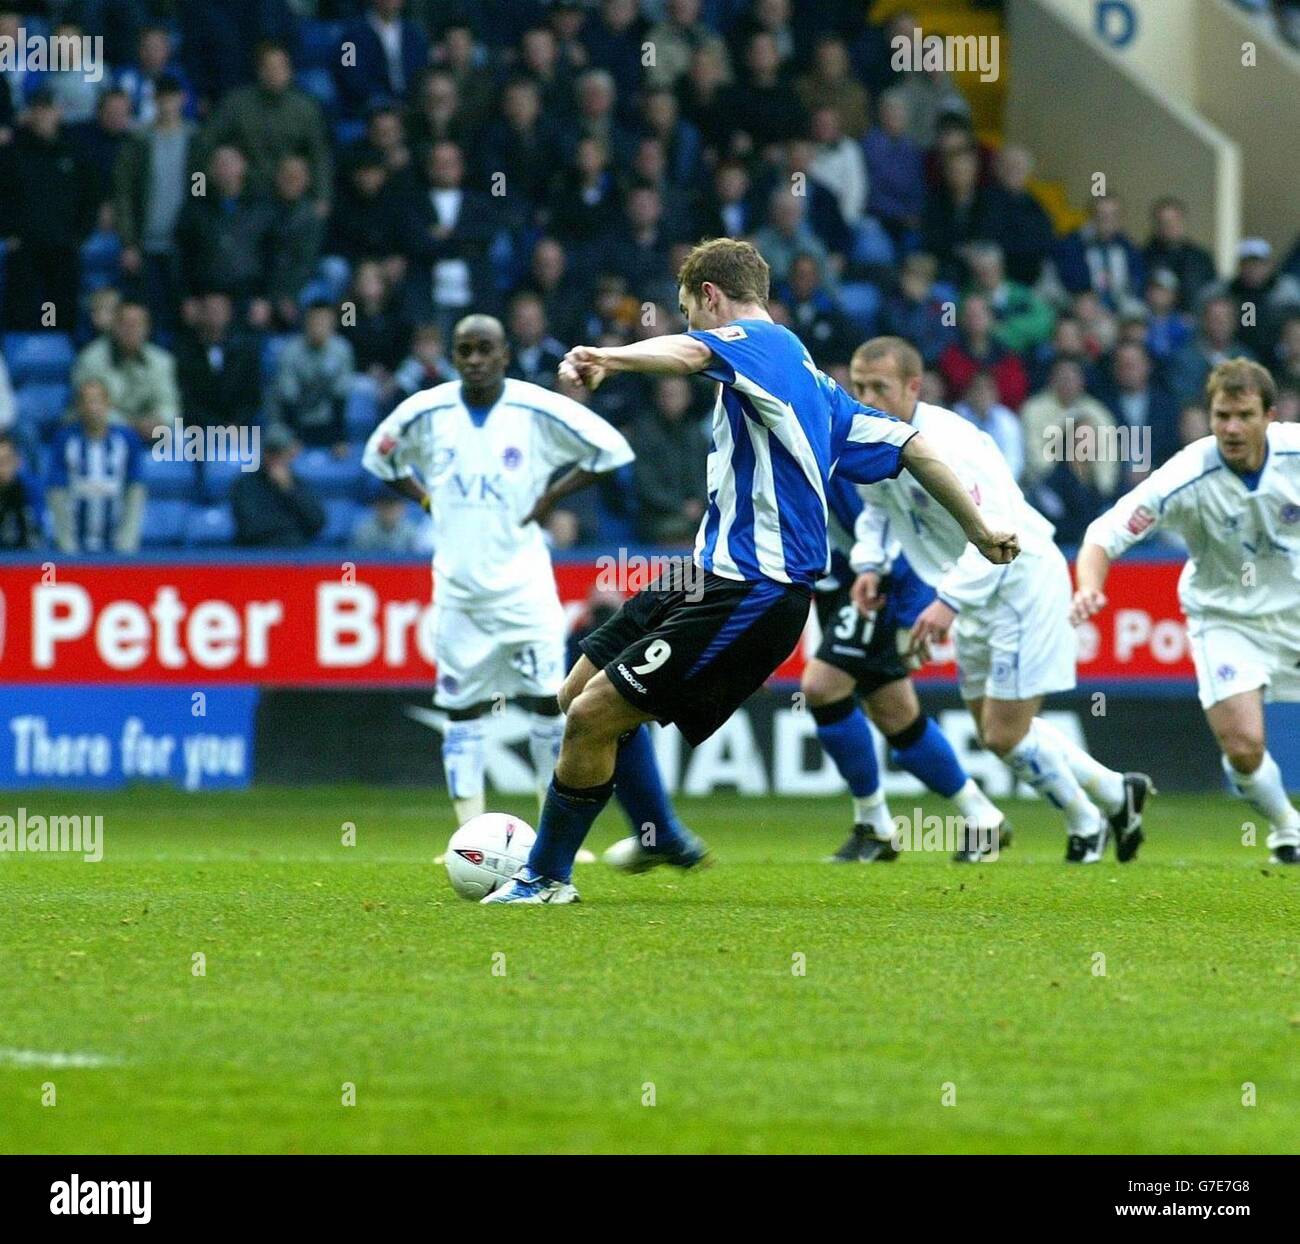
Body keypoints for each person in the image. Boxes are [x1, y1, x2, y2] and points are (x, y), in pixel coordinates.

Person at [486, 238, 1019, 905]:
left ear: (711, 296)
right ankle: (656, 834)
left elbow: (690, 351)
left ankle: (545, 878)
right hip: (702, 573)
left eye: (688, 309)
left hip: (753, 590)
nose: (688, 324)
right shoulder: (820, 393)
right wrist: (980, 528)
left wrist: (608, 358)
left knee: (594, 715)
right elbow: (913, 446)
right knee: (577, 698)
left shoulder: (760, 343)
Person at [845, 336, 1150, 864]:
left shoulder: (951, 443)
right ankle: (1111, 797)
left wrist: (947, 603)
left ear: (913, 387)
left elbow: (998, 528)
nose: (867, 398)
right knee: (997, 728)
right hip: (971, 587)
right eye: (859, 387)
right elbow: (875, 509)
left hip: (1018, 581)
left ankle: (1089, 820)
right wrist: (869, 563)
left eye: (880, 388)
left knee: (1002, 733)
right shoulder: (869, 438)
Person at [362, 314, 634, 829]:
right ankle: (467, 835)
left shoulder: (536, 409)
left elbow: (612, 451)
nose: (475, 360)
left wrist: (551, 495)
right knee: (462, 712)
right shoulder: (427, 411)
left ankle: (550, 834)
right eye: (464, 350)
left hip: (525, 590)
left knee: (547, 707)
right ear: (453, 355)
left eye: (485, 349)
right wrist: (423, 497)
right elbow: (379, 460)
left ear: (505, 355)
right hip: (458, 593)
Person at [1074, 359, 1300, 865]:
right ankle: (1287, 825)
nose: (1232, 428)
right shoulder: (1186, 474)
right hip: (1226, 618)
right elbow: (1103, 536)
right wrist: (1089, 587)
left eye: (1244, 415)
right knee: (1242, 746)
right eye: (1221, 416)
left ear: (1271, 415)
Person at [806, 471, 1010, 864]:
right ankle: (982, 817)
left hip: (872, 583)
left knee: (821, 686)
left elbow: (894, 522)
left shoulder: (832, 437)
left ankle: (874, 824)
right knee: (893, 711)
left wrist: (909, 610)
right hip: (836, 580)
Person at [47, 380, 146, 554]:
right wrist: (67, 546)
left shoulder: (126, 439)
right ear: (78, 406)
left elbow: (135, 492)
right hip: (75, 546)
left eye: (97, 401)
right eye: (87, 401)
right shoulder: (65, 440)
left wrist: (127, 545)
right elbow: (57, 493)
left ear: (108, 404)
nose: (93, 408)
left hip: (117, 546)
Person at [230, 424, 325, 548]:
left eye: (281, 451)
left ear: (291, 453)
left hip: (295, 555)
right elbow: (251, 527)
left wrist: (289, 490)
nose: (276, 457)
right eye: (272, 451)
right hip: (256, 557)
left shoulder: (298, 484)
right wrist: (293, 526)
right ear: (264, 452)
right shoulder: (245, 485)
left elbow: (317, 522)